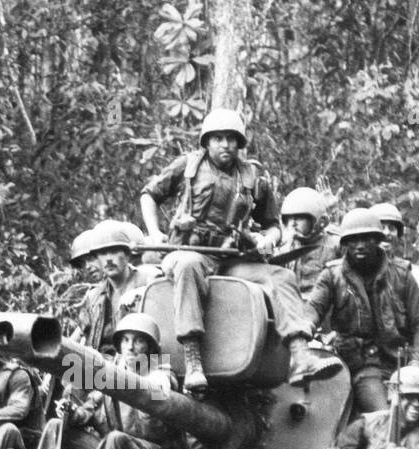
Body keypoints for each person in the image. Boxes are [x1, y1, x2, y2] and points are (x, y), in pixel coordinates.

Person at [139, 108, 331, 392]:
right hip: (187, 251)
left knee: (280, 277)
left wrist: (269, 238)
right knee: (188, 265)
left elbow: (273, 224)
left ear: (240, 144)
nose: (225, 145)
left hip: (231, 257)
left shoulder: (252, 177)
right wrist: (154, 231)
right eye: (218, 138)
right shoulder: (187, 166)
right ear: (206, 141)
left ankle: (300, 355)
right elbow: (149, 195)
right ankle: (193, 361)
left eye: (231, 139)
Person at [304, 208, 419, 414]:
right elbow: (313, 309)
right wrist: (304, 330)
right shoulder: (332, 276)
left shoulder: (401, 275)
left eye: (367, 239)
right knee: (386, 416)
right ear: (345, 244)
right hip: (363, 366)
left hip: (401, 365)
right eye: (354, 240)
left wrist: (416, 365)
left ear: (377, 240)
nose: (361, 245)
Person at [69, 314, 183, 449]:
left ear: (149, 347)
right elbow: (89, 409)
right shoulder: (109, 374)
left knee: (115, 439)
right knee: (62, 429)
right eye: (125, 340)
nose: (130, 347)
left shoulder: (160, 371)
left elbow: (160, 387)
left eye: (138, 340)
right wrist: (73, 413)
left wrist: (126, 379)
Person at [74, 220, 160, 353]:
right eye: (103, 253)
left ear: (127, 254)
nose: (108, 259)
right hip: (100, 367)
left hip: (142, 365)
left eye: (114, 251)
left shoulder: (148, 280)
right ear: (97, 258)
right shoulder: (93, 298)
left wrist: (144, 292)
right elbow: (80, 335)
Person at [278, 186, 337, 298]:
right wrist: (258, 247)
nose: (293, 223)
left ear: (319, 221)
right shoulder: (285, 245)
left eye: (299, 218)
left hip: (323, 306)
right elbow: (267, 250)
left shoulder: (335, 245)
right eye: (289, 218)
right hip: (291, 304)